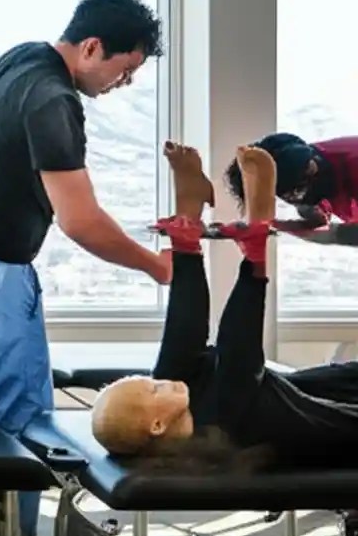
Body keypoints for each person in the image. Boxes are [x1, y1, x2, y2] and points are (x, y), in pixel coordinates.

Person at [0, 0, 168, 536]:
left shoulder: (20, 57)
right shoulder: (53, 98)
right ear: (93, 47)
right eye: (124, 71)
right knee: (21, 429)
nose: (122, 84)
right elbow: (80, 221)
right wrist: (157, 266)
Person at [93, 144, 358, 475]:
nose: (158, 381)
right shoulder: (218, 429)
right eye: (152, 389)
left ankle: (186, 235)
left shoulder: (180, 401)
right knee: (239, 365)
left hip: (297, 397)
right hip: (341, 431)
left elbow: (184, 333)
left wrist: (187, 248)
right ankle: (256, 245)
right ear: (158, 425)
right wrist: (253, 263)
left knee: (178, 354)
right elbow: (240, 345)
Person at [225, 133, 358, 237]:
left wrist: (331, 235)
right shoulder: (305, 157)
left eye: (310, 168)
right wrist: (271, 225)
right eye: (295, 192)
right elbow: (317, 218)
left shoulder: (349, 164)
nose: (312, 172)